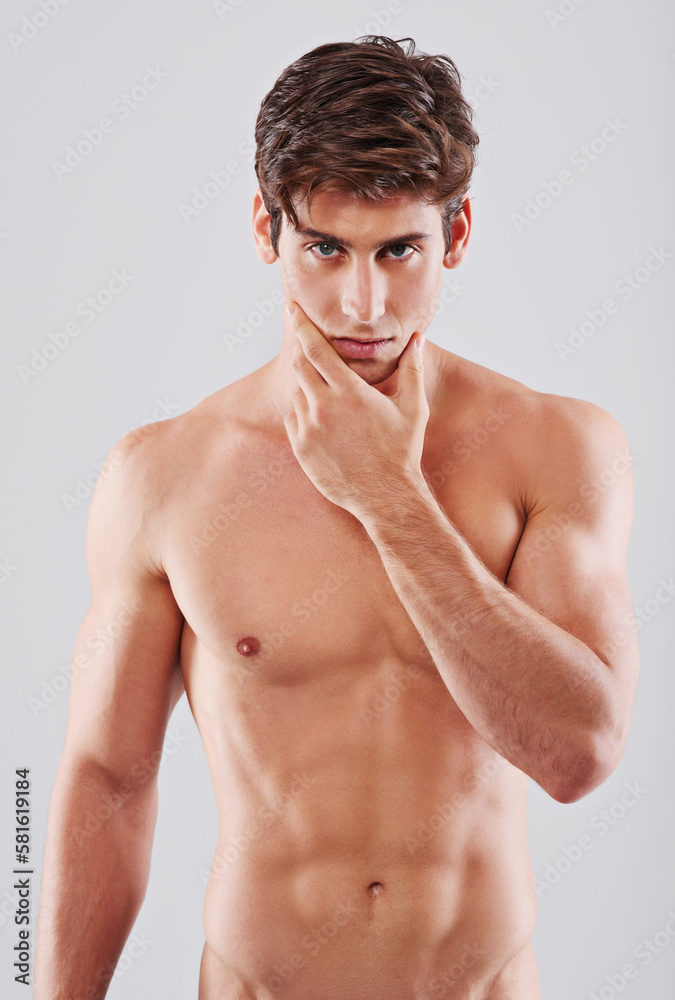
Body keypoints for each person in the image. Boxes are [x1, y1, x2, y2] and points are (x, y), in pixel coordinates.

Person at [34, 35, 640, 1000]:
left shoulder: (558, 450)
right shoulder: (164, 475)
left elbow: (579, 753)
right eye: (326, 248)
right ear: (266, 230)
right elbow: (106, 777)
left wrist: (390, 497)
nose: (363, 304)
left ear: (459, 233)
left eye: (401, 249)